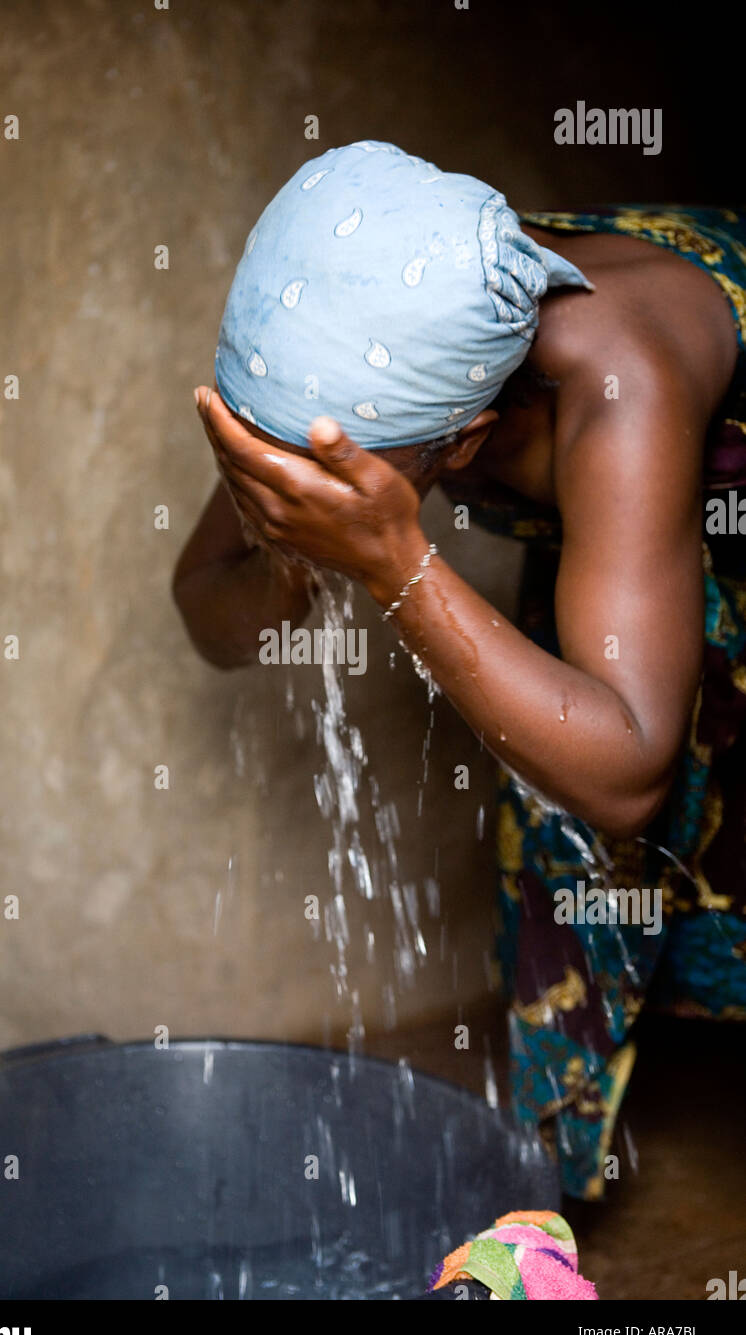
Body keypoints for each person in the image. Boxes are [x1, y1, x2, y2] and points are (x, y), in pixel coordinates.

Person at [173, 140, 746, 1199]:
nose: (292, 485)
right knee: (544, 747)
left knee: (605, 763)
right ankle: (547, 1175)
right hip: (626, 537)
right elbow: (208, 607)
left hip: (688, 487)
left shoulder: (618, 381)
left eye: (326, 476)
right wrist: (295, 553)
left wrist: (392, 563)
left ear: (464, 440)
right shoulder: (349, 334)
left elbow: (628, 775)